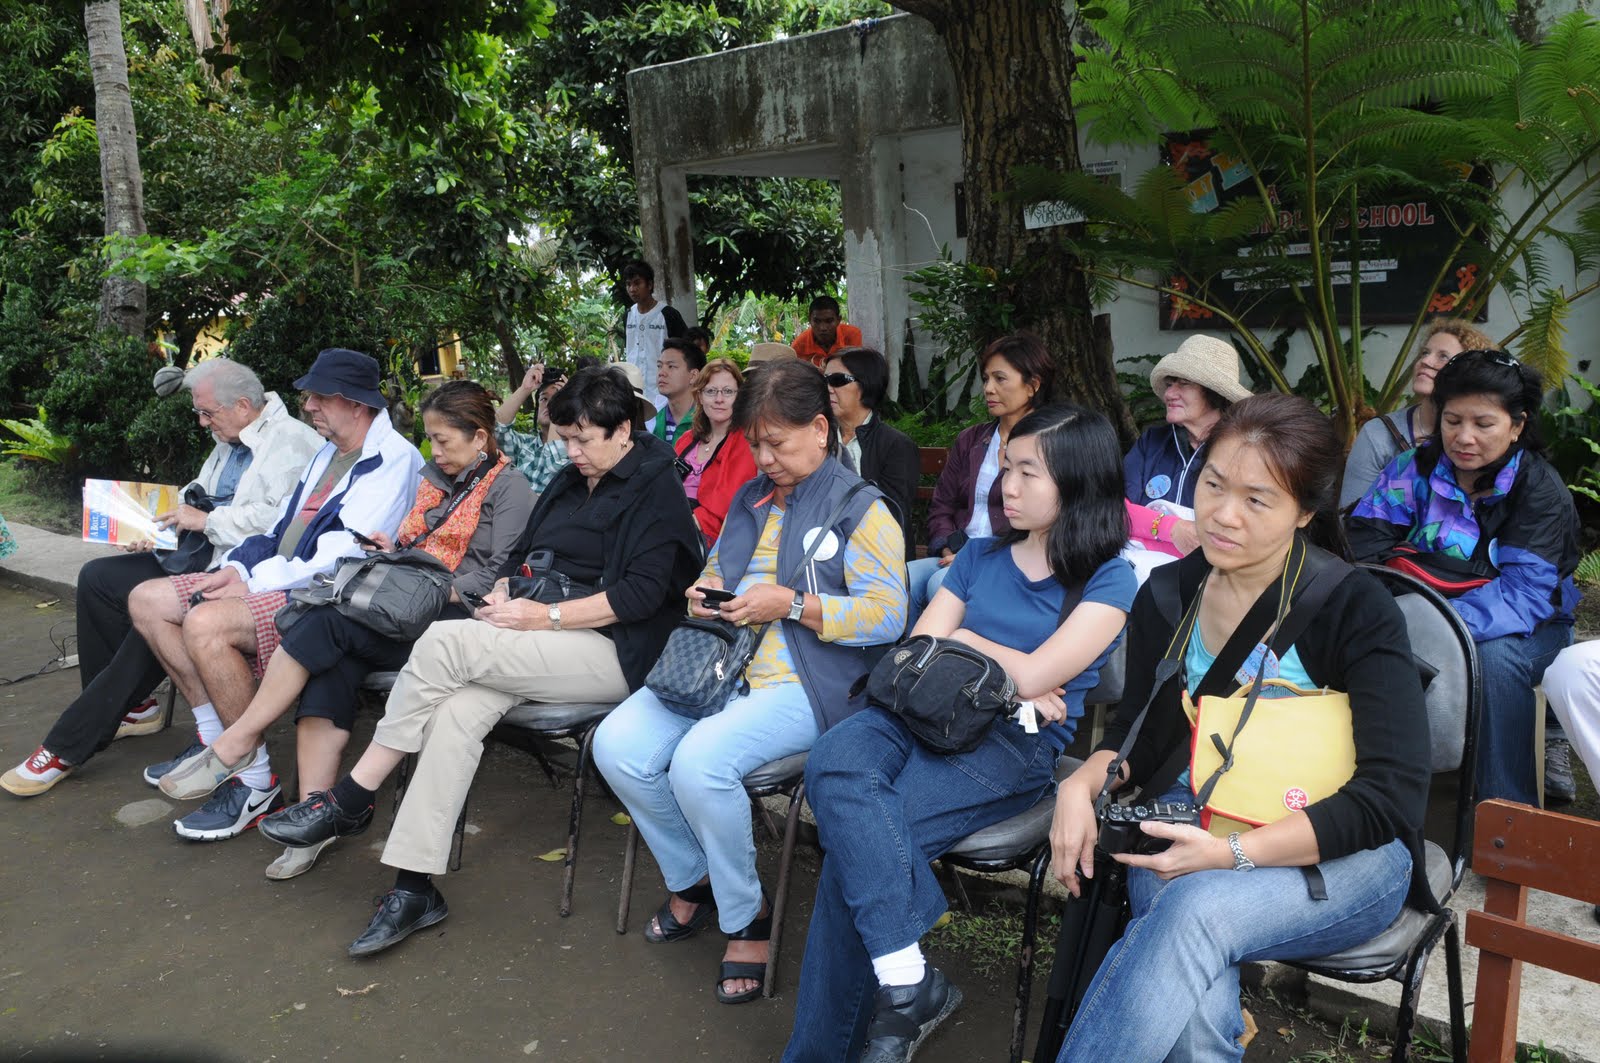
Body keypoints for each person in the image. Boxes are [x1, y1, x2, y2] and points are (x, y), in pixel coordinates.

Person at [255, 365, 702, 957]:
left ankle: (352, 798)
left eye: (582, 440)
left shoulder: (655, 486)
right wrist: (504, 593)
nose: (570, 452)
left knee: (444, 643)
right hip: (539, 638)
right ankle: (415, 888)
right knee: (457, 712)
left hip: (617, 652)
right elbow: (523, 559)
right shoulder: (574, 479)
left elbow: (643, 597)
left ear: (624, 431)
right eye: (564, 438)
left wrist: (541, 617)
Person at [1052, 393, 1431, 1061]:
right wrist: (1081, 783)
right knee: (1196, 1003)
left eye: (1258, 500)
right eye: (1214, 483)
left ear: (1306, 511)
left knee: (1191, 910)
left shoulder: (1355, 608)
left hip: (1346, 858)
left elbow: (1390, 799)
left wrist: (1233, 856)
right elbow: (1143, 737)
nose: (1223, 513)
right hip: (1195, 821)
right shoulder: (1169, 594)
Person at [784, 404, 1137, 1063]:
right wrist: (996, 657)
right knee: (832, 756)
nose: (1009, 483)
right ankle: (908, 983)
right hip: (920, 710)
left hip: (1008, 745)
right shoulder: (980, 554)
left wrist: (970, 640)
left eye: (1029, 471)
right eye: (1007, 467)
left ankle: (843, 1035)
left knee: (855, 856)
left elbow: (1035, 675)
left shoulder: (1108, 578)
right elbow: (921, 646)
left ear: (1080, 480)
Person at [593, 359, 908, 1005]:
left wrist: (791, 603)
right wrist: (704, 593)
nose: (764, 457)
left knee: (699, 763)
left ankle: (747, 916)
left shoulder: (861, 508)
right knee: (615, 743)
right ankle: (696, 878)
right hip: (719, 665)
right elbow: (717, 570)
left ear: (821, 429)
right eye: (755, 443)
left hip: (811, 680)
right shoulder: (750, 499)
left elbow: (888, 615)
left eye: (778, 442)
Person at [152, 382, 535, 879]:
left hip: (454, 622)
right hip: (401, 606)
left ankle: (238, 741)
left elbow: (497, 574)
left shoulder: (511, 488)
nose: (435, 451)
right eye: (432, 440)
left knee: (326, 623)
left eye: (443, 440)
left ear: (480, 437)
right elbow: (414, 542)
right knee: (330, 661)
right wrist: (391, 550)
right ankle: (315, 817)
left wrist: (419, 580)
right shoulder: (438, 475)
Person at [82, 349, 422, 839]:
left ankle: (254, 780)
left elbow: (341, 556)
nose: (308, 407)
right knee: (147, 600)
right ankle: (218, 742)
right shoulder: (329, 451)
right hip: (277, 575)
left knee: (205, 623)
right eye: (309, 397)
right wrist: (240, 565)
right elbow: (278, 524)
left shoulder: (392, 460)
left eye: (320, 397)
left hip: (321, 593)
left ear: (357, 404)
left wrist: (252, 581)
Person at [1, 358, 322, 799]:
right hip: (196, 553)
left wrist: (205, 519)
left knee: (154, 619)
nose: (202, 421)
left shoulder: (292, 444)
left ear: (244, 405)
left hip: (236, 569)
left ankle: (68, 744)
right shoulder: (229, 437)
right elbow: (198, 493)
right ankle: (133, 708)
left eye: (208, 412)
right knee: (98, 578)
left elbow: (277, 526)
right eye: (199, 412)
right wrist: (152, 529)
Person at [1350, 349, 1578, 806]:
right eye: (1452, 420)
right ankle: (1377, 804)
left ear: (1516, 425)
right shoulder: (1411, 468)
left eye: (1483, 424)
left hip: (1532, 628)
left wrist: (1438, 627)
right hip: (1415, 613)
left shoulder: (1538, 489)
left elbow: (1524, 595)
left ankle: (1506, 820)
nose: (1464, 437)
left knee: (1492, 661)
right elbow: (1365, 552)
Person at [908, 333, 1054, 627]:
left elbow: (1045, 519)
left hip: (1008, 560)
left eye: (1000, 379)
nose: (988, 388)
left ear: (1033, 385)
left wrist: (976, 558)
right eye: (986, 378)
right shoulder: (972, 440)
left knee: (940, 587)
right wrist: (947, 546)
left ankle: (944, 667)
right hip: (956, 554)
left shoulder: (1049, 443)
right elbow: (942, 504)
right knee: (899, 582)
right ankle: (904, 664)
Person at [1339, 319, 1494, 509]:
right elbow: (1348, 517)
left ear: (1471, 372)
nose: (1425, 361)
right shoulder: (1378, 434)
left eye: (1443, 356)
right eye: (1425, 353)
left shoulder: (1481, 441)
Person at [1123, 335, 1253, 558]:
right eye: (1170, 383)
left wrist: (1144, 525)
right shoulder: (1153, 441)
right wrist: (1171, 529)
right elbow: (1112, 511)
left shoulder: (1242, 451)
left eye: (1184, 383)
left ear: (1214, 393)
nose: (1169, 394)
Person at [823, 347, 919, 559]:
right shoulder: (819, 438)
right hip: (822, 546)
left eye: (837, 380)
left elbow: (892, 515)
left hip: (875, 553)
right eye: (825, 380)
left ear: (866, 385)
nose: (828, 388)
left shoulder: (896, 445)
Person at [674, 357, 758, 544]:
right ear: (700, 396)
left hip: (711, 535)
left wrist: (683, 522)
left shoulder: (746, 440)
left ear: (739, 397)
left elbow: (728, 501)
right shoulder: (687, 439)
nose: (719, 399)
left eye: (728, 392)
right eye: (711, 391)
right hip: (673, 521)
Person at [493, 362, 570, 495]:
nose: (549, 406)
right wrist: (525, 388)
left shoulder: (574, 449)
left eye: (556, 400)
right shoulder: (525, 445)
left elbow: (554, 464)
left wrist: (562, 408)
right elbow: (498, 430)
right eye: (544, 399)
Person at [622, 260, 688, 406]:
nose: (632, 289)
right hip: (634, 390)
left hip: (662, 392)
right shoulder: (628, 315)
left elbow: (686, 350)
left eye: (637, 283)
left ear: (650, 285)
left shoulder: (668, 315)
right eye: (628, 284)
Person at [650, 338, 706, 444]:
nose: (662, 373)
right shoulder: (651, 419)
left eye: (671, 366)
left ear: (693, 375)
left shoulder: (708, 420)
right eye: (659, 366)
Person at [791, 295, 863, 368]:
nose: (823, 328)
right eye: (817, 321)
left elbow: (856, 368)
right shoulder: (798, 345)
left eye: (829, 321)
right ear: (810, 320)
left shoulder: (852, 334)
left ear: (838, 320)